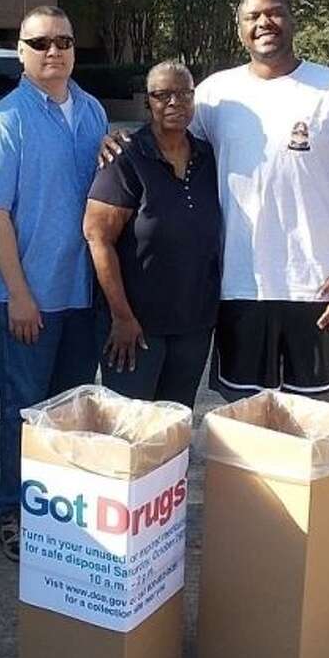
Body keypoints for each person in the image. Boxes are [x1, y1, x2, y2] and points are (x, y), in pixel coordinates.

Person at [101, 0, 329, 402]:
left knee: (314, 416)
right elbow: (170, 143)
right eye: (252, 17)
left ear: (292, 21)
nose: (264, 23)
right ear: (240, 32)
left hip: (316, 288)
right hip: (238, 287)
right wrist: (115, 140)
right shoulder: (217, 93)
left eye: (274, 13)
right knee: (246, 417)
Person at [0, 5, 109, 560]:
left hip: (84, 293)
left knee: (71, 408)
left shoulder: (93, 111)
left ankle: (62, 506)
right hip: (32, 296)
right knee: (24, 408)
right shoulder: (7, 120)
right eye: (40, 43)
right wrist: (18, 293)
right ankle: (14, 509)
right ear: (21, 52)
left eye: (63, 41)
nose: (53, 51)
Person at [83, 60, 221, 408]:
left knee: (175, 424)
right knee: (132, 429)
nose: (174, 103)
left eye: (183, 94)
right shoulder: (126, 157)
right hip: (136, 328)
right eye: (162, 95)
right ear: (148, 103)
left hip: (193, 323)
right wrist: (122, 317)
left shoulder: (208, 156)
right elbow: (98, 238)